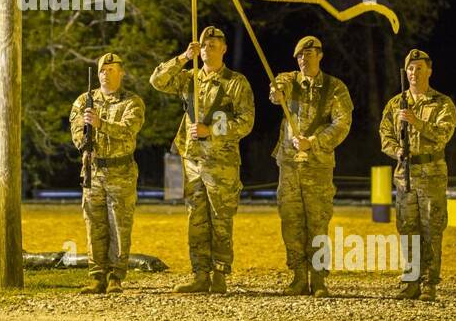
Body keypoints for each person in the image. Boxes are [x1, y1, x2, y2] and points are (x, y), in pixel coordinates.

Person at [150, 26, 254, 294]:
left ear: (224, 49)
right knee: (195, 218)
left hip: (222, 163)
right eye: (205, 44)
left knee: (221, 218)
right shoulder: (189, 79)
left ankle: (220, 274)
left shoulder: (236, 82)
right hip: (193, 161)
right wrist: (184, 57)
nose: (208, 48)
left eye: (213, 44)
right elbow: (157, 81)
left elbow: (246, 122)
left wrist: (214, 130)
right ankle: (199, 274)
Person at [269, 35, 353, 297]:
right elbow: (275, 90)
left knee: (317, 221)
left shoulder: (335, 88)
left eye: (310, 53)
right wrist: (276, 92)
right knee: (291, 221)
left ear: (320, 55)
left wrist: (314, 142)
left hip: (318, 165)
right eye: (300, 55)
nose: (304, 59)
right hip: (290, 165)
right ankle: (297, 277)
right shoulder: (289, 81)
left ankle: (318, 278)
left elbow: (342, 123)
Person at [378, 49, 456, 301]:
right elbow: (384, 136)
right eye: (411, 69)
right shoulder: (395, 104)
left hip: (431, 174)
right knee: (407, 227)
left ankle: (429, 283)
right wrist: (397, 150)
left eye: (420, 68)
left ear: (429, 71)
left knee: (431, 228)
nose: (415, 73)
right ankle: (411, 279)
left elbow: (443, 134)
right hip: (405, 175)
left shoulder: (442, 103)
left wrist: (416, 122)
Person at [69, 53, 145, 294]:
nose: (106, 74)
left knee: (119, 225)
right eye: (103, 70)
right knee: (94, 224)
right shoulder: (84, 101)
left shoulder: (132, 102)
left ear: (121, 73)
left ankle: (116, 275)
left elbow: (128, 130)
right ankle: (97, 275)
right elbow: (76, 128)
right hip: (93, 170)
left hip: (121, 171)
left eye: (112, 70)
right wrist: (84, 143)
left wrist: (101, 124)